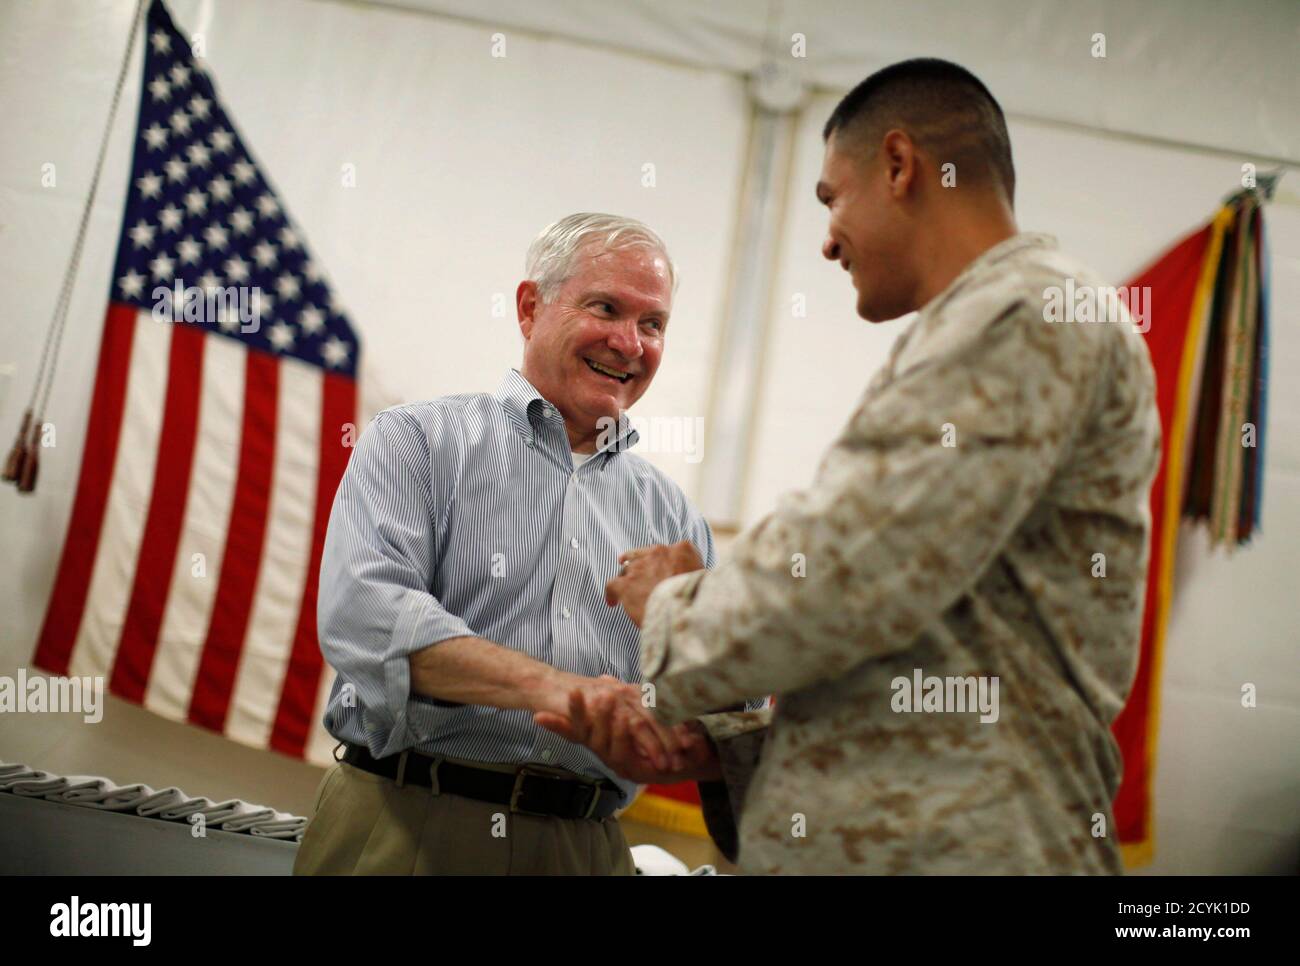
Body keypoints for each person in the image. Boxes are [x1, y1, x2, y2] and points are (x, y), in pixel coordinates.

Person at [539, 59, 1162, 874]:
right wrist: (721, 749)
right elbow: (929, 662)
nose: (828, 239)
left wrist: (672, 607)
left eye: (833, 198)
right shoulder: (989, 324)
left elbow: (852, 575)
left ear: (900, 166)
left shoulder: (1025, 314)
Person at [295, 213, 746, 875]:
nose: (629, 343)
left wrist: (712, 648)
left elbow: (731, 712)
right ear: (531, 307)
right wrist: (566, 694)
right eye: (606, 308)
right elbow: (370, 616)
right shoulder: (416, 441)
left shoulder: (675, 519)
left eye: (653, 324)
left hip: (588, 844)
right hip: (409, 823)